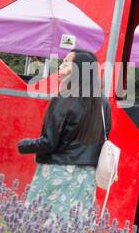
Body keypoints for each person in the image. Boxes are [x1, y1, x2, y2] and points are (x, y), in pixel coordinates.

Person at [17, 49, 110, 217]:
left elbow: (49, 142)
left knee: (41, 227)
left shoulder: (63, 98)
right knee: (73, 231)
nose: (61, 66)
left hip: (57, 174)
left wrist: (22, 145)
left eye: (66, 62)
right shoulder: (102, 103)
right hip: (86, 178)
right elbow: (103, 138)